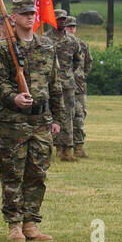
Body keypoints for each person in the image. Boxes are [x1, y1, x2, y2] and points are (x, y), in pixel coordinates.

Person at [0, 0, 63, 242]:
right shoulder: (2, 48)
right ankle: (14, 225)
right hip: (13, 121)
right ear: (14, 18)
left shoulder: (47, 46)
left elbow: (55, 84)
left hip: (41, 119)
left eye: (32, 13)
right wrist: (14, 98)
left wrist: (57, 117)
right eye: (24, 13)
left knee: (37, 173)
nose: (30, 17)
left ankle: (31, 223)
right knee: (12, 172)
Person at [52, 11, 80, 162]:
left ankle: (67, 149)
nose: (62, 21)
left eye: (64, 19)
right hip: (51, 84)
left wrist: (67, 74)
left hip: (68, 84)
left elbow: (77, 61)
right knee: (50, 116)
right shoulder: (46, 40)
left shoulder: (72, 41)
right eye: (59, 19)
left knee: (68, 116)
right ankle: (52, 147)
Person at [67, 15, 92, 158]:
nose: (71, 29)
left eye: (73, 26)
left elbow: (87, 64)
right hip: (63, 86)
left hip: (79, 86)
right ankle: (62, 147)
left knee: (80, 115)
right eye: (68, 26)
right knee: (63, 117)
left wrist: (80, 77)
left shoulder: (82, 45)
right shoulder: (57, 43)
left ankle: (78, 146)